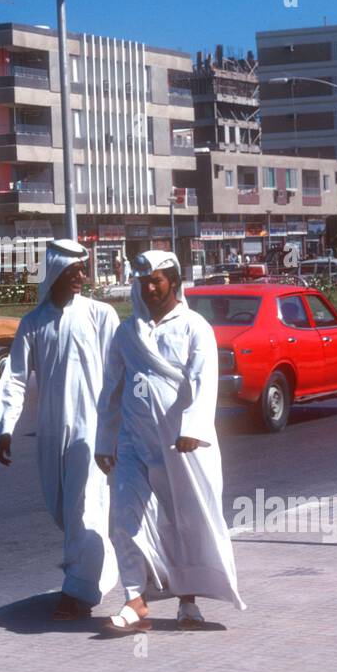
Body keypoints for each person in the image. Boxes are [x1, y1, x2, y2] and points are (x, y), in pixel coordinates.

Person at [95, 250, 245, 633]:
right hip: (133, 443)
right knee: (124, 518)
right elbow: (111, 388)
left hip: (181, 443)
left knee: (184, 521)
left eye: (156, 280)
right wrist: (105, 441)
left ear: (173, 282)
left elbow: (202, 379)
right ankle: (133, 599)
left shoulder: (194, 327)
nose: (148, 288)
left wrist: (192, 428)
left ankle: (188, 601)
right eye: (143, 281)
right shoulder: (127, 333)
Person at [0, 238, 120, 620]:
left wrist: (118, 428)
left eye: (83, 269)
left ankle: (78, 593)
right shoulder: (33, 324)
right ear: (55, 274)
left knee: (86, 509)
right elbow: (15, 377)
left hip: (91, 429)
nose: (81, 277)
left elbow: (118, 375)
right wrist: (5, 428)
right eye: (73, 271)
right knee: (63, 509)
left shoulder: (100, 315)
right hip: (51, 432)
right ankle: (107, 568)